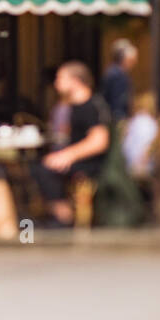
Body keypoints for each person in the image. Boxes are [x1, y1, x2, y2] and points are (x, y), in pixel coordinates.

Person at [34, 61, 111, 226]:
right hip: (79, 159)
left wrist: (67, 155)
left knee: (43, 169)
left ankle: (63, 217)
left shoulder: (91, 106)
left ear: (75, 81)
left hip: (92, 163)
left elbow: (99, 141)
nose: (56, 83)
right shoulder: (74, 106)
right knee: (41, 165)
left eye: (60, 78)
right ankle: (60, 214)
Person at [122, 92, 159, 180]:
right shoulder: (150, 123)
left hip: (128, 166)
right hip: (143, 168)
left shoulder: (132, 122)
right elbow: (149, 146)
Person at [101, 39, 137, 124]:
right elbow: (117, 101)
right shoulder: (117, 75)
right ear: (124, 58)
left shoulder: (115, 72)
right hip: (117, 120)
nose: (134, 63)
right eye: (132, 60)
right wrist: (121, 120)